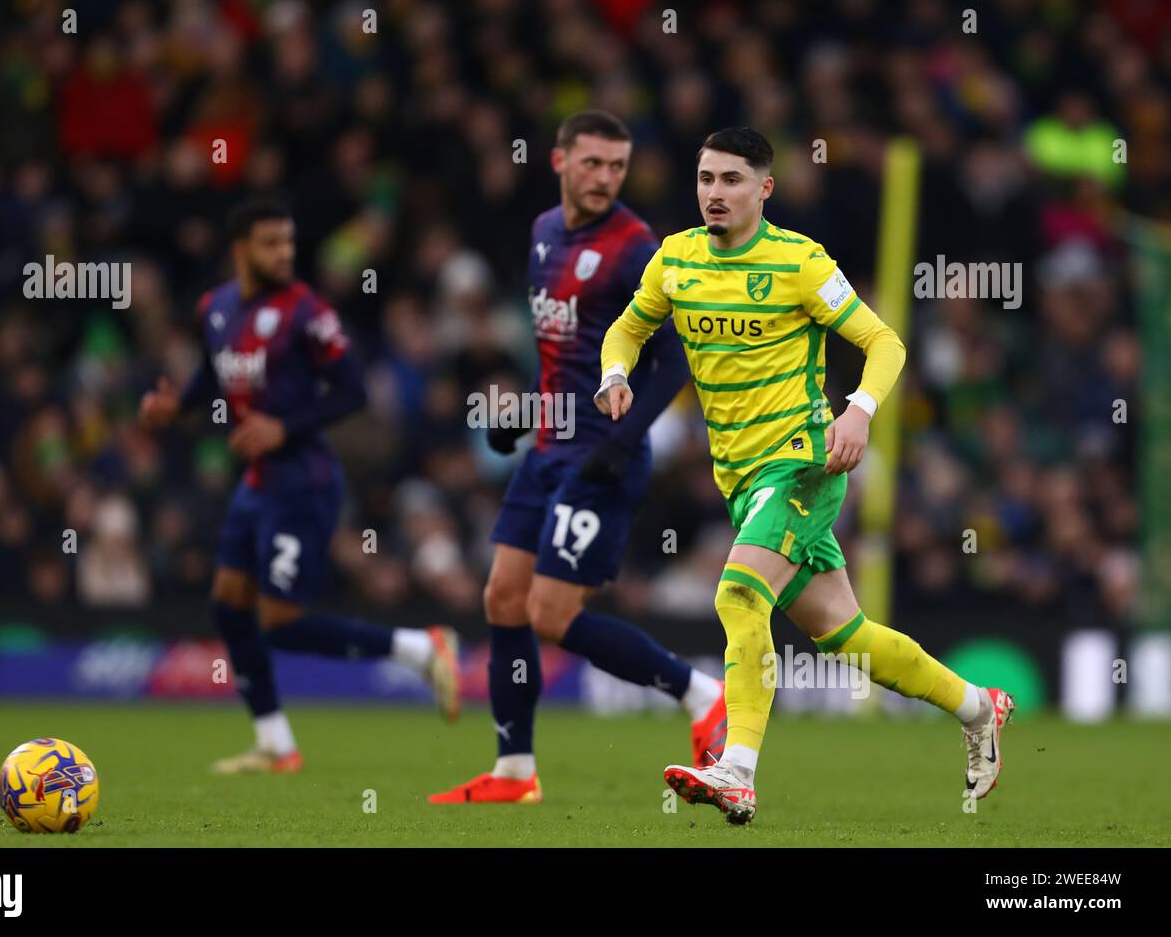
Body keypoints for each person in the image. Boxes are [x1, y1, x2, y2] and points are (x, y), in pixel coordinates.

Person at [597, 127, 1014, 825]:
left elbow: (884, 341)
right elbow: (628, 329)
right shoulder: (676, 260)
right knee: (846, 636)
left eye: (732, 180)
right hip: (739, 476)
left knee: (736, 597)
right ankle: (978, 706)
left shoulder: (799, 262)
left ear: (765, 188)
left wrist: (858, 412)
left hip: (803, 461)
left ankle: (737, 771)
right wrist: (615, 373)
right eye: (706, 179)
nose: (715, 193)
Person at [430, 111, 726, 805]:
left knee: (550, 616)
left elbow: (673, 357)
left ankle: (699, 692)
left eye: (617, 166)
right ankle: (513, 771)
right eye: (592, 163)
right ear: (559, 161)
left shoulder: (633, 247)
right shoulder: (540, 235)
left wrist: (622, 441)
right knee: (501, 596)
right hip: (547, 447)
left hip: (602, 452)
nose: (604, 178)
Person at [140, 197, 460, 774]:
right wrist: (177, 405)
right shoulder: (215, 308)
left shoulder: (305, 311)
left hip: (303, 482)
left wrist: (282, 426)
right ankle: (275, 743)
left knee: (282, 624)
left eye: (289, 242)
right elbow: (215, 370)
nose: (285, 253)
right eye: (271, 243)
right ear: (241, 249)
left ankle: (418, 648)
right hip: (257, 484)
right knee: (228, 607)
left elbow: (353, 391)